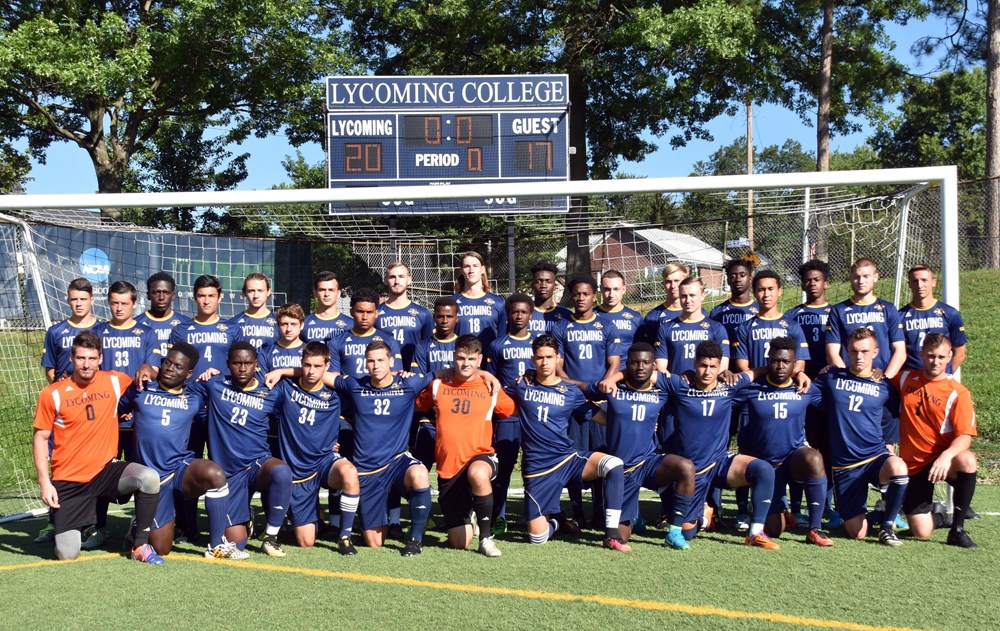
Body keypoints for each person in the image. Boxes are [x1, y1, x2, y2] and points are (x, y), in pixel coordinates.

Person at [32, 331, 163, 563]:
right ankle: (69, 524)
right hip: (69, 480)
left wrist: (147, 367)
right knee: (67, 553)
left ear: (100, 359)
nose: (86, 364)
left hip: (104, 471)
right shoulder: (52, 394)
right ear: (71, 359)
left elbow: (146, 377)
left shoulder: (113, 381)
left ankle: (140, 545)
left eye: (92, 359)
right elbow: (41, 439)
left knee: (149, 478)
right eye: (81, 358)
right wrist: (45, 483)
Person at [119, 342, 245, 559]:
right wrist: (145, 368)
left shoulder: (195, 398)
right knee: (162, 548)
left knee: (214, 474)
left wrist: (214, 373)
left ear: (189, 373)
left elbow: (230, 386)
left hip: (178, 468)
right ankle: (139, 523)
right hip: (151, 478)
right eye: (167, 362)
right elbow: (117, 410)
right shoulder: (142, 388)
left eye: (178, 366)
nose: (170, 368)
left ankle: (216, 545)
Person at [658, 340, 780, 549]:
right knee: (687, 533)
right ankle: (705, 513)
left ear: (720, 367)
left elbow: (757, 372)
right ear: (695, 364)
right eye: (703, 365)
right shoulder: (680, 385)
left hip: (720, 463)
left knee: (763, 469)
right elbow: (644, 373)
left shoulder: (729, 386)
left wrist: (799, 373)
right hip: (692, 472)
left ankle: (755, 533)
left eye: (713, 366)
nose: (707, 371)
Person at [514, 335, 631, 552]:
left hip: (567, 458)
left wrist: (634, 422)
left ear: (558, 358)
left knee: (613, 464)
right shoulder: (521, 386)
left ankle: (611, 534)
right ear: (532, 360)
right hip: (538, 467)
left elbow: (601, 417)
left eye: (549, 357)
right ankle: (557, 522)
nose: (545, 362)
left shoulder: (571, 392)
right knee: (537, 538)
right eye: (540, 358)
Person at [586, 343, 696, 550]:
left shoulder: (662, 390)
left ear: (654, 366)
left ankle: (674, 531)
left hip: (648, 462)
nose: (640, 367)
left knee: (686, 467)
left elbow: (686, 385)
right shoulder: (612, 388)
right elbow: (580, 391)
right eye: (635, 363)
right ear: (628, 365)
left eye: (646, 363)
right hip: (622, 470)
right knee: (620, 538)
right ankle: (634, 519)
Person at [416, 335, 516, 557]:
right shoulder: (438, 386)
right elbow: (415, 402)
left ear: (480, 359)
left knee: (479, 473)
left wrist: (485, 374)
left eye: (471, 359)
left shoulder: (490, 388)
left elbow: (511, 410)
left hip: (480, 456)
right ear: (453, 357)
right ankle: (474, 513)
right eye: (461, 358)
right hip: (449, 467)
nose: (466, 363)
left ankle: (486, 538)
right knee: (459, 542)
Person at [332, 340, 435, 555]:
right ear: (365, 363)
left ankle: (415, 539)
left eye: (381, 360)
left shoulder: (408, 384)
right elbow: (319, 373)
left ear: (391, 361)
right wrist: (283, 372)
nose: (376, 365)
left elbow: (440, 373)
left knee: (420, 473)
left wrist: (486, 375)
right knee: (374, 541)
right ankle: (372, 517)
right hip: (367, 470)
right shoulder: (355, 385)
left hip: (397, 463)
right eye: (371, 361)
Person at [191, 342, 292, 557]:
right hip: (229, 474)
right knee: (237, 544)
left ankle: (271, 538)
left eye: (248, 363)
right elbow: (186, 390)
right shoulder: (215, 384)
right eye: (237, 363)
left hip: (257, 464)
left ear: (256, 364)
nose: (243, 368)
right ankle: (247, 518)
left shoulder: (271, 391)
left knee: (282, 471)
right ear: (227, 364)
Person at [814, 328, 908, 546]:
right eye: (854, 351)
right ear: (846, 351)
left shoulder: (884, 384)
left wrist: (889, 444)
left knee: (898, 467)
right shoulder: (831, 377)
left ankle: (886, 527)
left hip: (874, 455)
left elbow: (892, 416)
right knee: (857, 532)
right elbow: (810, 394)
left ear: (875, 352)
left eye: (865, 351)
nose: (859, 356)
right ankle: (880, 512)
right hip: (845, 465)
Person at [735, 337, 831, 546]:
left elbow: (833, 405)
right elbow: (724, 395)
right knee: (774, 530)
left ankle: (815, 528)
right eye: (775, 361)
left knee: (814, 458)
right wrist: (756, 372)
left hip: (793, 459)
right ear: (768, 360)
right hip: (765, 467)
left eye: (786, 362)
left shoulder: (804, 388)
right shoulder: (753, 388)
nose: (780, 366)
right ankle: (777, 510)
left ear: (795, 363)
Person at [84, 280, 157, 550]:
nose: (119, 307)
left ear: (134, 304)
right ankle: (98, 527)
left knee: (141, 472)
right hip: (106, 420)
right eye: (114, 302)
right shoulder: (98, 332)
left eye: (124, 303)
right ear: (108, 302)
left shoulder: (146, 333)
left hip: (138, 419)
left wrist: (148, 368)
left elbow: (155, 367)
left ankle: (138, 527)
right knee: (100, 470)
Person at [271, 341, 360, 554]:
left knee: (349, 472)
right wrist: (282, 372)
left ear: (327, 366)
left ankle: (345, 536)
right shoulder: (286, 387)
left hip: (324, 461)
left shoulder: (336, 394)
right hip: (297, 469)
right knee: (306, 541)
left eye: (317, 366)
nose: (311, 371)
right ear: (301, 364)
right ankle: (314, 515)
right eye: (307, 365)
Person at [895, 334, 979, 548]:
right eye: (931, 356)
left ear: (950, 356)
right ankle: (940, 515)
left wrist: (946, 455)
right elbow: (877, 378)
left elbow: (964, 436)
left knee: (967, 460)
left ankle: (958, 529)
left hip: (943, 461)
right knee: (921, 532)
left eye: (941, 357)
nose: (936, 361)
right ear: (921, 355)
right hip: (914, 465)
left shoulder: (958, 392)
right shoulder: (905, 379)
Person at [552, 274, 623, 525]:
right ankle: (577, 510)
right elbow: (558, 368)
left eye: (585, 294)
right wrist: (579, 391)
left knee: (602, 454)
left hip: (600, 402)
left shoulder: (606, 326)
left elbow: (614, 363)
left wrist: (601, 388)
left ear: (594, 296)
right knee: (575, 455)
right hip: (573, 403)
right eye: (577, 294)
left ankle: (600, 510)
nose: (581, 298)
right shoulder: (561, 326)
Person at [785, 259, 839, 528]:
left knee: (829, 446)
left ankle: (827, 503)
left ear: (825, 282)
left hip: (830, 385)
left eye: (816, 279)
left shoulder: (836, 312)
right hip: (800, 383)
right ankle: (795, 506)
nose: (812, 284)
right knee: (801, 445)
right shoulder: (792, 316)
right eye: (807, 280)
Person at [484, 293, 536, 533]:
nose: (518, 316)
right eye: (514, 311)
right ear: (508, 315)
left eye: (523, 312)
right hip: (508, 415)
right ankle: (499, 516)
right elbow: (490, 379)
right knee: (504, 466)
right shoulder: (497, 345)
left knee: (533, 465)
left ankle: (533, 515)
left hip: (536, 414)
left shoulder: (539, 344)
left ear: (531, 315)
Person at [410, 296, 460, 472]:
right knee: (420, 469)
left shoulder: (462, 346)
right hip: (429, 415)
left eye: (449, 316)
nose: (444, 320)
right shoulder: (423, 347)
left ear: (457, 318)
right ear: (434, 317)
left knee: (453, 468)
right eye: (440, 316)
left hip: (456, 415)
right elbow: (418, 382)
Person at [733, 270, 810, 375]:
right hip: (757, 387)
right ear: (754, 293)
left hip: (784, 388)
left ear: (779, 291)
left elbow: (799, 366)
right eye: (761, 290)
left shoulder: (793, 326)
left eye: (770, 289)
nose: (766, 294)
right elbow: (742, 367)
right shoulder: (745, 327)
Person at [899, 265, 967, 371]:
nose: (920, 285)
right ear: (909, 285)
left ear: (934, 282)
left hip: (940, 380)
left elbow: (960, 353)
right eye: (915, 281)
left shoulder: (950, 313)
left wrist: (946, 375)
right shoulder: (900, 316)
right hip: (911, 380)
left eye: (924, 280)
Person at [41, 277, 101, 383]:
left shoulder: (103, 330)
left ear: (92, 300)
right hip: (65, 394)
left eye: (83, 299)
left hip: (96, 393)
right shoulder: (55, 332)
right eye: (74, 299)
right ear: (68, 300)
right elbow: (50, 370)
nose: (78, 304)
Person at [376, 261, 434, 370]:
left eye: (401, 276)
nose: (397, 281)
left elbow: (429, 346)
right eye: (392, 277)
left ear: (409, 280)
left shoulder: (423, 314)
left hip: (414, 374)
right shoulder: (376, 313)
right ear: (385, 280)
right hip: (385, 375)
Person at [453, 251, 506, 346]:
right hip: (462, 358)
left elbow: (502, 339)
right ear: (461, 270)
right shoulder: (452, 302)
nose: (471, 270)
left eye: (475, 266)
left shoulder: (499, 303)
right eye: (467, 266)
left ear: (482, 269)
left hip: (489, 359)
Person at [136, 271, 192, 359]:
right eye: (156, 292)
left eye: (166, 292)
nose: (161, 297)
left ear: (173, 296)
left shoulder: (186, 324)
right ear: (148, 295)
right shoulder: (136, 324)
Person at [596, 270, 642, 370]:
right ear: (601, 290)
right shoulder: (592, 316)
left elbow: (642, 350)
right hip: (599, 374)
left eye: (616, 289)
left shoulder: (635, 318)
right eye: (607, 289)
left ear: (624, 289)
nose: (611, 294)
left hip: (627, 373)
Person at [639, 262, 692, 344]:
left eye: (677, 281)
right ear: (663, 283)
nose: (673, 285)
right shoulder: (652, 317)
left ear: (685, 282)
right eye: (668, 281)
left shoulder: (698, 313)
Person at [228, 272, 278, 350]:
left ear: (268, 292)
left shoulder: (279, 323)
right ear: (244, 293)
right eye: (251, 291)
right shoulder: (234, 323)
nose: (256, 296)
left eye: (260, 290)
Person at [301, 271, 352, 343]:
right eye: (322, 290)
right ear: (315, 293)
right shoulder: (303, 323)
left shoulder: (351, 324)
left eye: (331, 290)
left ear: (338, 293)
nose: (327, 294)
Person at [527, 260, 571, 335]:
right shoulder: (522, 313)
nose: (543, 285)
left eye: (548, 281)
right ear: (532, 286)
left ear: (555, 286)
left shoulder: (566, 315)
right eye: (539, 281)